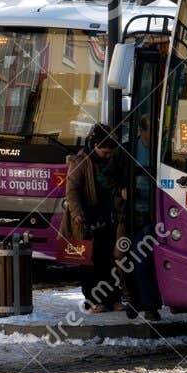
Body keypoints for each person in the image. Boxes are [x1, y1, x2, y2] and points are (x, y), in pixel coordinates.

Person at [62, 125, 122, 312]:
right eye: (105, 152)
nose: (108, 156)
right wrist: (77, 213)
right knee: (90, 262)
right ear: (95, 145)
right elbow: (72, 191)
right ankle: (93, 300)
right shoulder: (80, 161)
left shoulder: (113, 160)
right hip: (87, 220)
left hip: (109, 216)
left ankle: (113, 298)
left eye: (110, 153)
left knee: (110, 259)